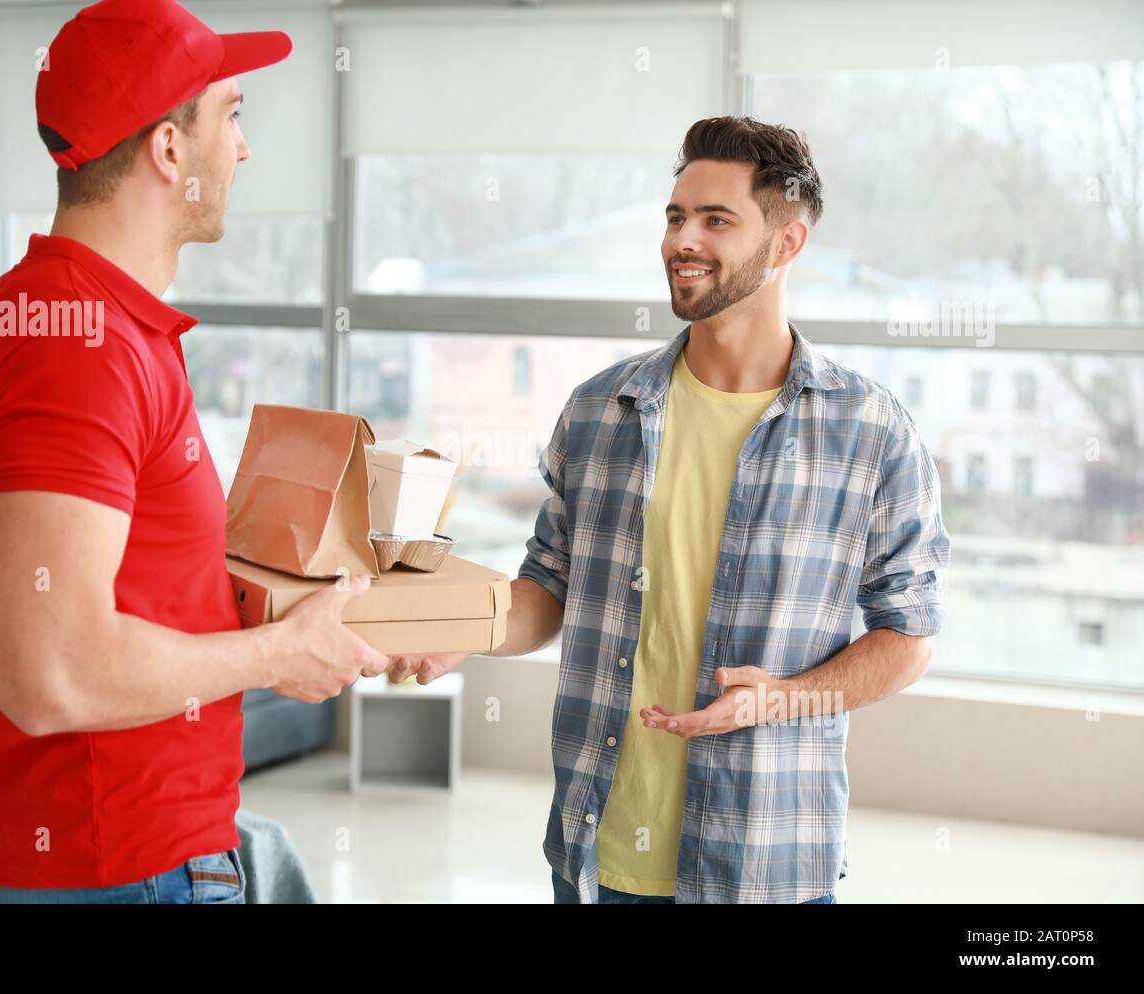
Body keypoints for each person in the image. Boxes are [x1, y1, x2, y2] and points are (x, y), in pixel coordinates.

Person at [388, 116, 950, 904]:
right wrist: (461, 634)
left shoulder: (869, 429)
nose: (682, 239)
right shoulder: (601, 410)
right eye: (675, 216)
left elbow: (910, 634)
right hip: (596, 857)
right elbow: (547, 589)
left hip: (766, 867)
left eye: (716, 220)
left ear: (786, 245)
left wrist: (787, 698)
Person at [0, 0, 388, 905]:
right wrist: (274, 659)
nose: (244, 150)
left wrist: (319, 626)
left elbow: (137, 600)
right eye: (232, 115)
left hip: (118, 859)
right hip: (113, 868)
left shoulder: (86, 322)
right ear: (168, 151)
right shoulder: (76, 347)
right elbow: (49, 672)